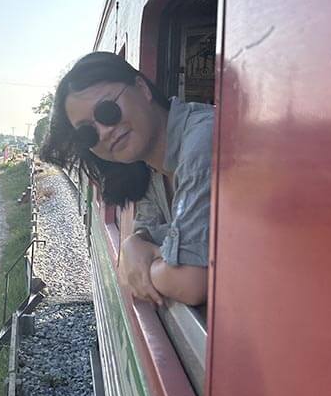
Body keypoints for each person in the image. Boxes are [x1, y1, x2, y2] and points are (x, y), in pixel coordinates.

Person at [40, 51, 213, 307]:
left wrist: (147, 266)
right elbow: (148, 233)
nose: (105, 131)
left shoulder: (201, 141)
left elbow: (190, 282)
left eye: (107, 110)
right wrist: (133, 242)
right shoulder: (150, 165)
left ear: (142, 88)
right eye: (88, 133)